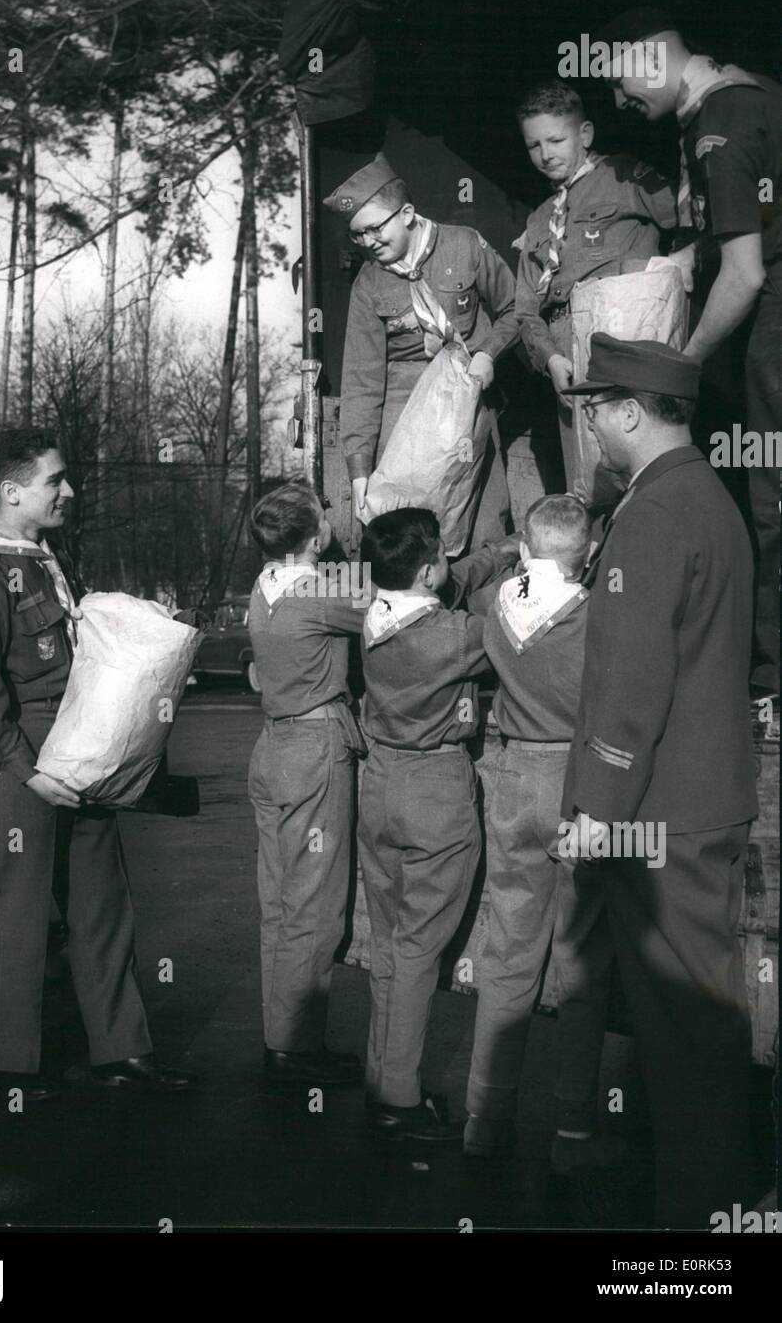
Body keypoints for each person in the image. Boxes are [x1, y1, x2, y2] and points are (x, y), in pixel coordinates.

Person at [561, 334, 758, 1228]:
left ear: (629, 411)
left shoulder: (649, 515)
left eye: (593, 409)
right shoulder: (712, 500)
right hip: (707, 798)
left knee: (681, 1039)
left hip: (658, 816)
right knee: (706, 1023)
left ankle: (696, 1235)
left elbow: (627, 691)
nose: (591, 427)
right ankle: (720, 1198)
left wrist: (598, 813)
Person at [0, 428, 197, 1102]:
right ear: (11, 491)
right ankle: (5, 1066)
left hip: (78, 755)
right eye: (54, 481)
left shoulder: (44, 560)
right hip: (16, 765)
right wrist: (26, 770)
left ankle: (123, 1051)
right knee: (17, 913)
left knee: (102, 906)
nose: (69, 491)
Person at [602, 6, 782, 698]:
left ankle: (772, 692)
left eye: (621, 84)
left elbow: (747, 274)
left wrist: (685, 362)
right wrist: (681, 260)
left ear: (652, 56)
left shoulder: (717, 131)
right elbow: (746, 228)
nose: (621, 101)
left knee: (772, 512)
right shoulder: (753, 94)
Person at [462, 495, 618, 1174]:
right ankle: (574, 1129)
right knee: (578, 958)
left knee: (507, 951)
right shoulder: (597, 616)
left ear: (526, 550)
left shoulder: (499, 605)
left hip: (514, 773)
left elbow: (489, 583)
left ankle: (484, 1117)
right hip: (575, 780)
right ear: (588, 557)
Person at [357, 509, 516, 1141]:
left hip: (380, 789)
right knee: (421, 948)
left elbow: (447, 579)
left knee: (393, 945)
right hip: (435, 794)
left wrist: (496, 552)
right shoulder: (458, 636)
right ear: (427, 570)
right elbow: (517, 629)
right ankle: (400, 1098)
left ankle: (380, 1079)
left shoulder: (366, 618)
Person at [324, 154, 519, 545]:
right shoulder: (368, 284)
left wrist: (487, 353)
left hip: (469, 407)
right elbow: (362, 381)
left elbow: (516, 310)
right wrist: (360, 470)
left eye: (375, 229)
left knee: (483, 535)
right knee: (410, 546)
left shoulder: (465, 246)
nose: (368, 242)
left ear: (408, 213)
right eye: (357, 234)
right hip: (404, 426)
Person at [246, 483, 368, 1087]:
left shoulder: (262, 592)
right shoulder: (322, 593)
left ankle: (282, 1037)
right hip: (314, 753)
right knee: (316, 907)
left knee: (280, 903)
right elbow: (399, 596)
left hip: (271, 751)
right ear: (315, 537)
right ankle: (297, 1046)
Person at [513, 83, 680, 507]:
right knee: (589, 487)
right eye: (534, 145)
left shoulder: (626, 177)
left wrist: (684, 262)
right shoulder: (537, 222)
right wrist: (550, 358)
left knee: (647, 475)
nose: (545, 154)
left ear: (584, 134)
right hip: (569, 365)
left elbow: (689, 216)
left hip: (628, 345)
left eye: (556, 140)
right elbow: (526, 311)